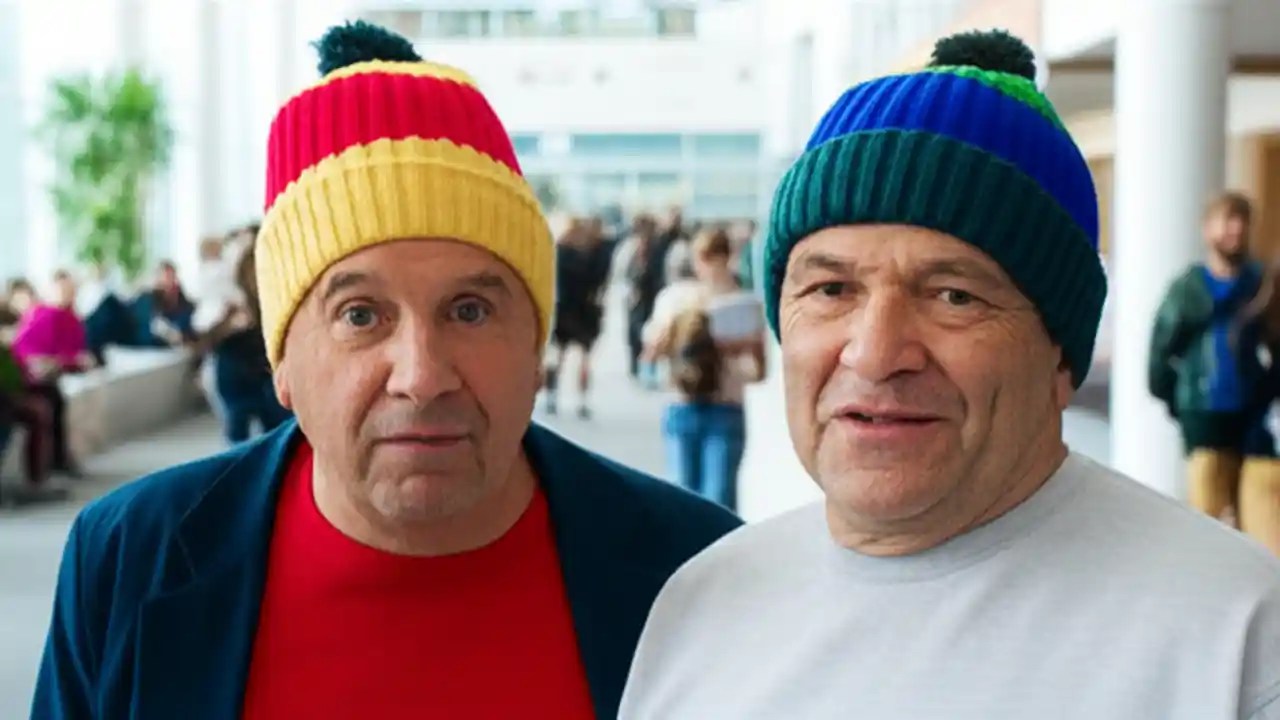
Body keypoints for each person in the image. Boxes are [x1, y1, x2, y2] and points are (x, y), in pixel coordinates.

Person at [32, 21, 739, 720]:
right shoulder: (130, 559)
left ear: (536, 349)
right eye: (361, 316)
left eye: (469, 311)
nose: (421, 376)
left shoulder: (698, 576)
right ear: (284, 364)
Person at [620, 30, 1280, 720]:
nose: (875, 353)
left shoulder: (1235, 640)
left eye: (953, 296)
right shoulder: (700, 607)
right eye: (831, 289)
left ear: (1059, 353)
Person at [1149, 192, 1274, 525]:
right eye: (1227, 220)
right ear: (1208, 229)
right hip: (1204, 423)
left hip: (1252, 427)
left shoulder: (1260, 287)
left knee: (1262, 528)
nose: (1235, 229)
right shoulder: (1187, 290)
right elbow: (1159, 356)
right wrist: (1183, 404)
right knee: (1207, 525)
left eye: (1242, 221)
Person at [643, 228, 766, 511]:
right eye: (702, 258)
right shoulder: (675, 299)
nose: (707, 266)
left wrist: (733, 347)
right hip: (683, 404)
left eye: (713, 257)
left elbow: (760, 371)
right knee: (681, 496)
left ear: (727, 258)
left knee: (719, 498)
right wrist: (673, 338)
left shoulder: (744, 304)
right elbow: (649, 356)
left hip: (725, 406)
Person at [201, 244, 292, 444]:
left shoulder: (279, 299)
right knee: (239, 432)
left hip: (266, 370)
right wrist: (230, 322)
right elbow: (206, 339)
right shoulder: (230, 303)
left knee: (279, 434)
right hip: (237, 371)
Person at [544, 218, 613, 418]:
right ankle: (582, 401)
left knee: (557, 356)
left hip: (564, 310)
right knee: (584, 358)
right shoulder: (595, 255)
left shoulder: (559, 253)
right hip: (587, 311)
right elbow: (602, 280)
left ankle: (552, 396)